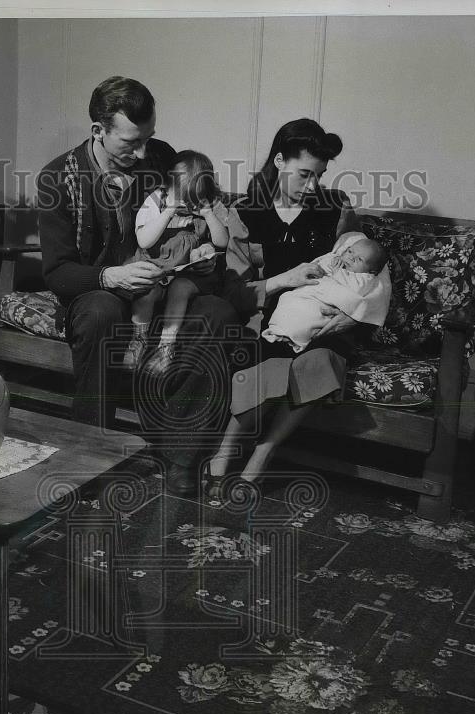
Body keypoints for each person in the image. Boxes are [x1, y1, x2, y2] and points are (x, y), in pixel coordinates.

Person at [37, 76, 239, 494]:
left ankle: (180, 456)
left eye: (148, 138)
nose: (144, 152)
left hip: (165, 284)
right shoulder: (58, 177)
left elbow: (198, 208)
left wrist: (203, 251)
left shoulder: (160, 157)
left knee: (217, 312)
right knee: (101, 312)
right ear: (98, 130)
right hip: (100, 291)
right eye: (131, 142)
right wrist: (111, 275)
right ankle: (90, 455)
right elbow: (58, 272)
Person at [208, 118, 365, 502]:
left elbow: (365, 273)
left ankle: (262, 455)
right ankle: (226, 450)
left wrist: (350, 316)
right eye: (304, 174)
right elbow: (234, 293)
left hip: (324, 322)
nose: (312, 186)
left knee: (318, 361)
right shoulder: (246, 213)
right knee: (274, 362)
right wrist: (283, 280)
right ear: (279, 161)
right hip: (269, 321)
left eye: (319, 176)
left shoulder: (337, 209)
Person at [124, 150, 229, 375]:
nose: (187, 205)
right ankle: (138, 339)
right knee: (146, 291)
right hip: (156, 264)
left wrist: (209, 215)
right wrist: (168, 212)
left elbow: (222, 242)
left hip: (185, 273)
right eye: (182, 197)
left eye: (193, 199)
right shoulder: (156, 200)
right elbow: (144, 240)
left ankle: (166, 347)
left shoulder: (210, 205)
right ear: (168, 185)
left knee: (180, 289)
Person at [261, 234, 391, 353]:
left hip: (325, 305)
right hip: (306, 293)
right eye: (350, 251)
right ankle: (280, 329)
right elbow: (318, 266)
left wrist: (337, 271)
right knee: (288, 298)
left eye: (359, 259)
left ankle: (293, 335)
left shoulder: (365, 278)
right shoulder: (335, 258)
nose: (351, 257)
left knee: (309, 315)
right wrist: (328, 264)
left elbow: (356, 292)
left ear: (372, 271)